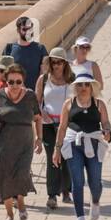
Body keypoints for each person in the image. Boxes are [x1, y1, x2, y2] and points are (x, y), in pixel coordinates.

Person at [0, 63, 42, 220]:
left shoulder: (30, 96)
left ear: (23, 81)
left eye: (18, 81)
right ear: (6, 81)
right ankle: (9, 214)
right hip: (3, 142)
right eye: (11, 82)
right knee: (4, 177)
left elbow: (37, 118)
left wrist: (39, 139)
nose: (15, 85)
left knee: (22, 174)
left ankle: (20, 202)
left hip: (24, 142)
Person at [53, 73, 111, 220]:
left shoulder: (99, 104)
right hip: (73, 144)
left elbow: (105, 122)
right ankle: (80, 216)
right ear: (75, 87)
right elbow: (62, 127)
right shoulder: (68, 103)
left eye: (87, 84)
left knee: (95, 181)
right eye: (80, 85)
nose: (83, 88)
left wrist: (107, 130)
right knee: (77, 181)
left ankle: (95, 201)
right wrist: (57, 149)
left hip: (94, 144)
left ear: (92, 87)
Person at [36, 47, 74, 210]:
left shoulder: (72, 80)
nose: (56, 65)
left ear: (65, 64)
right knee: (52, 156)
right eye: (53, 62)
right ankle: (52, 195)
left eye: (59, 62)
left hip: (67, 124)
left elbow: (78, 101)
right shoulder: (43, 79)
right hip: (48, 124)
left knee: (66, 157)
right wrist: (41, 112)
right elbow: (36, 102)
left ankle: (66, 190)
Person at [4, 16, 48, 91]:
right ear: (18, 30)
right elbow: (2, 73)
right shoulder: (9, 49)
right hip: (13, 96)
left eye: (30, 29)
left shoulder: (40, 49)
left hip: (34, 96)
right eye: (24, 29)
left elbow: (45, 73)